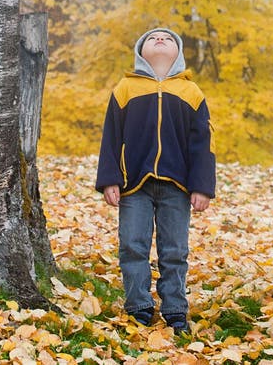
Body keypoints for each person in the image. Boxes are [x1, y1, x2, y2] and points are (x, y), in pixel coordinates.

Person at [96, 27, 216, 334]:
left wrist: (202, 185)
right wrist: (110, 179)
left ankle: (175, 309)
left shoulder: (191, 92)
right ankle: (138, 306)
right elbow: (111, 137)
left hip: (178, 186)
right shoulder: (126, 88)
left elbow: (203, 143)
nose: (159, 40)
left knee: (175, 250)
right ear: (140, 50)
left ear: (178, 52)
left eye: (167, 38)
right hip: (133, 184)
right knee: (132, 246)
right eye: (151, 38)